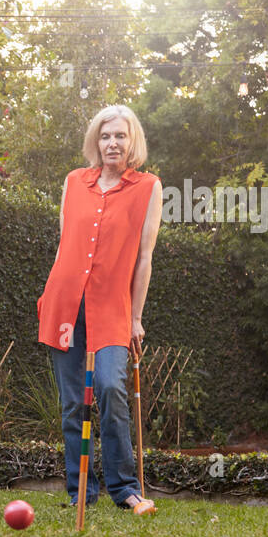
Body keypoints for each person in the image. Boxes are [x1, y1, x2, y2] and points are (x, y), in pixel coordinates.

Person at [37, 105, 163, 512]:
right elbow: (63, 245)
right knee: (74, 401)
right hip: (65, 305)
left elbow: (144, 258)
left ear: (132, 142)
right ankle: (81, 492)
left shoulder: (148, 187)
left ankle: (124, 488)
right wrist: (49, 297)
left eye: (121, 136)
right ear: (96, 141)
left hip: (113, 309)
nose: (113, 143)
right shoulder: (74, 182)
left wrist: (137, 318)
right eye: (106, 136)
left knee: (110, 387)